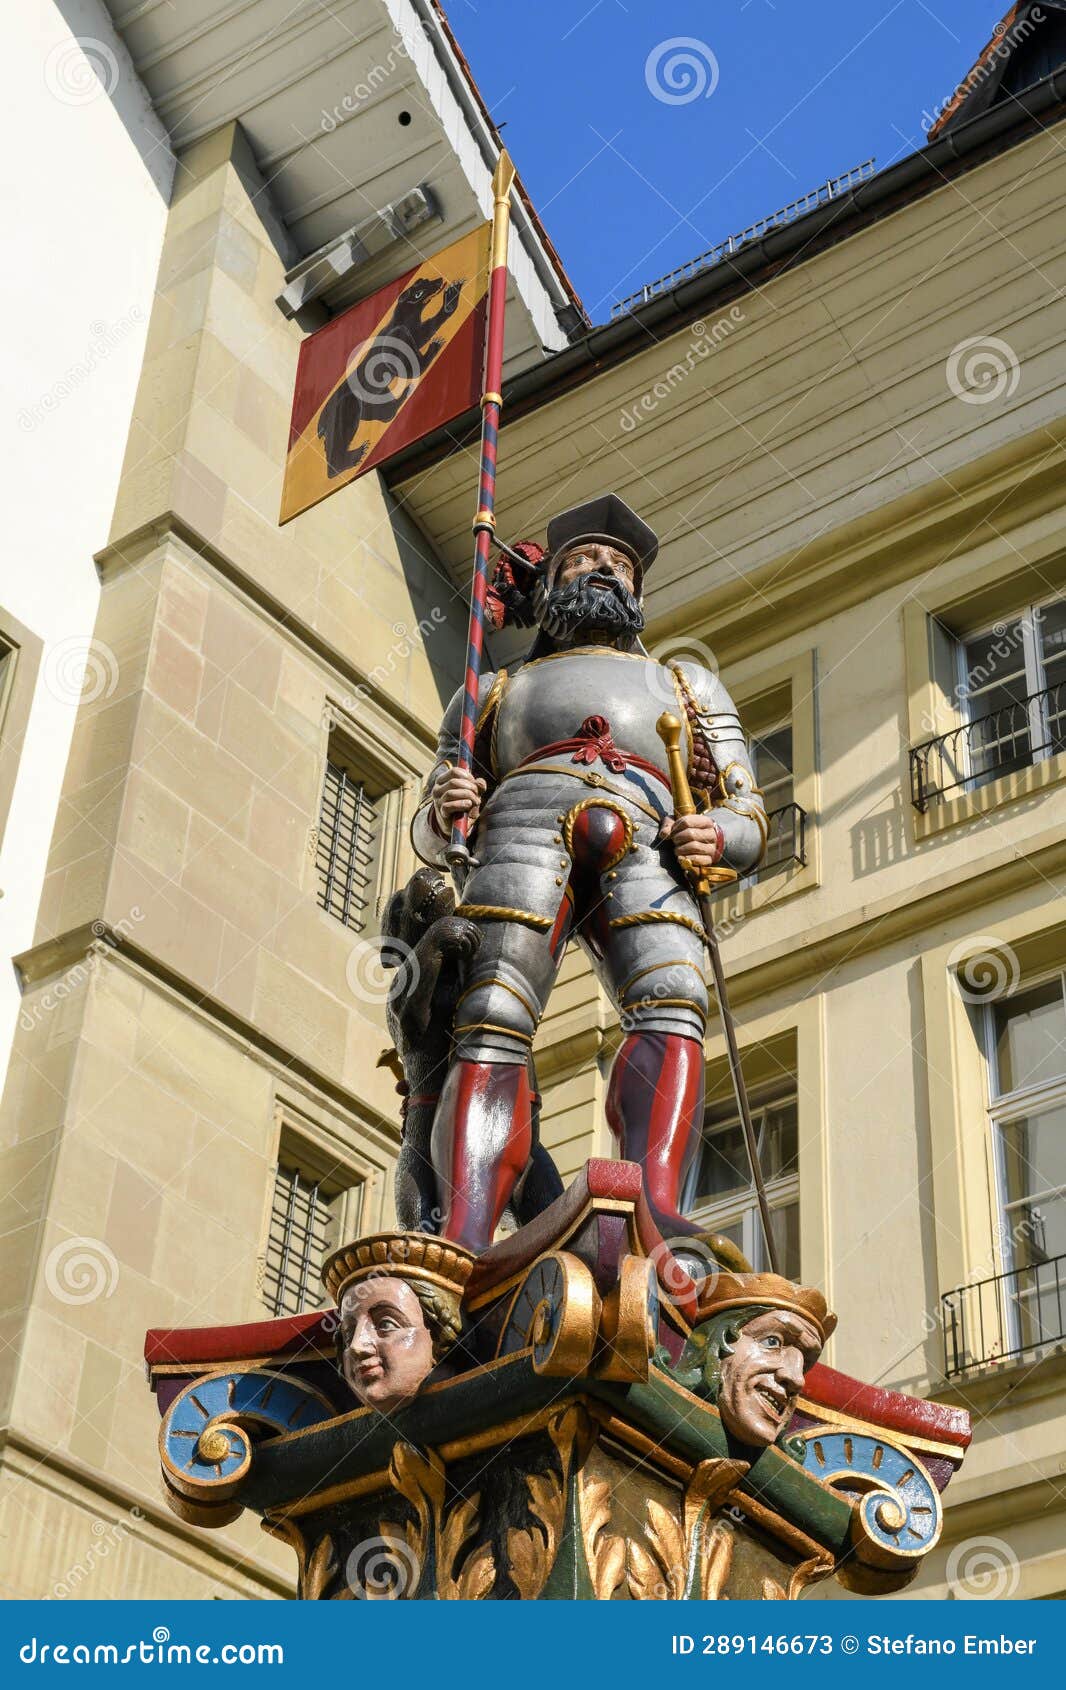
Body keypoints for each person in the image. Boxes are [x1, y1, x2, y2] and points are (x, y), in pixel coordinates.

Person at [412, 494, 767, 1252]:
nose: (602, 571)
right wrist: (451, 805)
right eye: (582, 561)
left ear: (637, 592)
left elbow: (748, 812)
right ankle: (467, 1222)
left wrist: (716, 832)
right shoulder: (495, 690)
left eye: (618, 567)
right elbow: (429, 822)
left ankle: (653, 1212)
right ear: (552, 586)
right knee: (493, 1013)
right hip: (523, 824)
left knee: (673, 999)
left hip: (650, 836)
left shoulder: (685, 684)